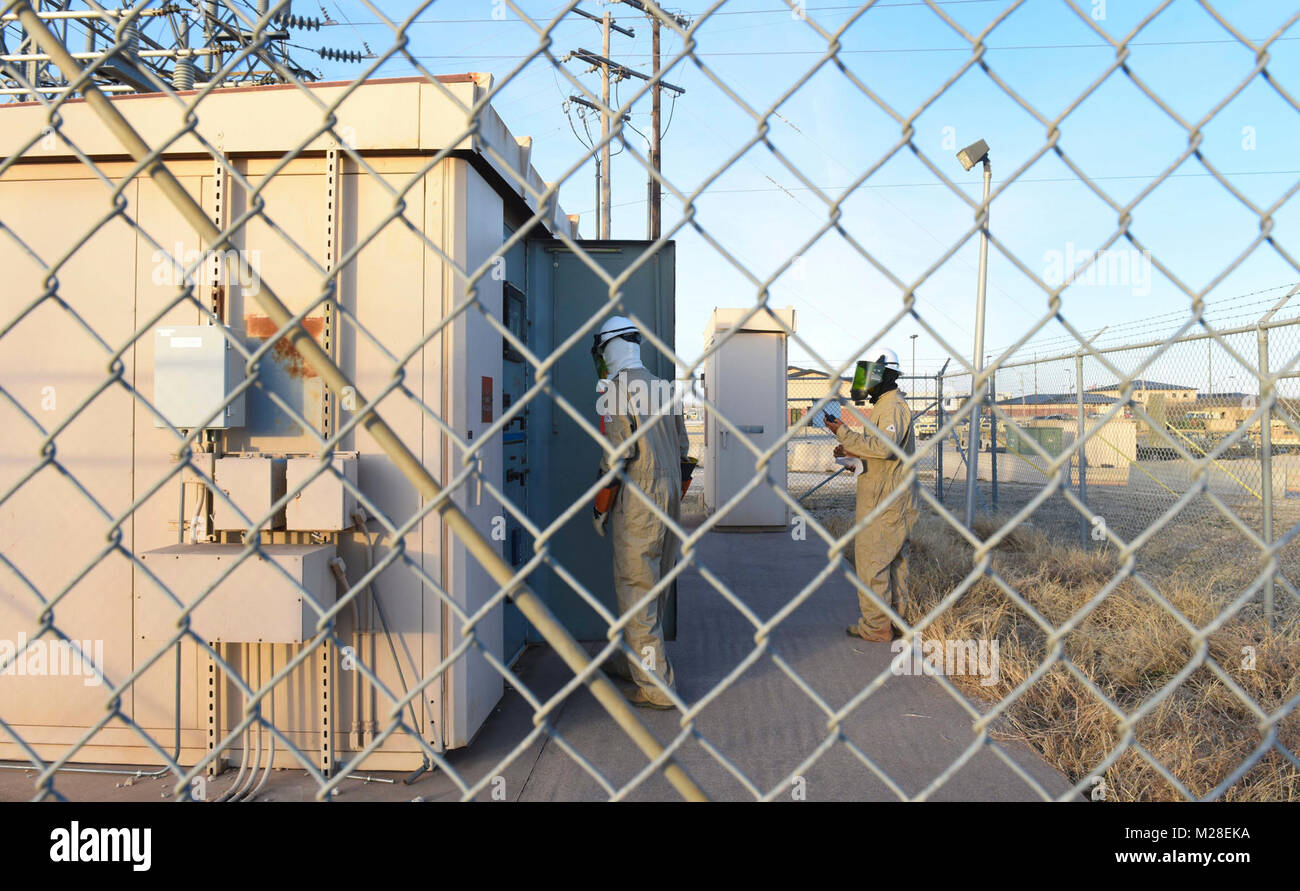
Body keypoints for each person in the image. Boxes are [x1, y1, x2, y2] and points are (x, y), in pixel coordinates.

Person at [590, 316, 689, 709]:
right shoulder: (664, 387)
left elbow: (617, 459)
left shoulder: (617, 390)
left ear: (610, 348)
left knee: (636, 590)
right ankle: (633, 659)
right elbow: (684, 457)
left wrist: (600, 510)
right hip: (669, 498)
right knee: (655, 586)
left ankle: (655, 687)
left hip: (638, 497)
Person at [823, 347, 917, 643]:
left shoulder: (891, 407)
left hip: (887, 502)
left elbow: (885, 448)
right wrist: (853, 456)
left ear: (884, 374)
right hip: (883, 496)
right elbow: (880, 452)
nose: (863, 380)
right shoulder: (885, 405)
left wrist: (843, 433)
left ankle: (876, 627)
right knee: (890, 562)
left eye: (869, 373)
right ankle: (893, 622)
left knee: (872, 562)